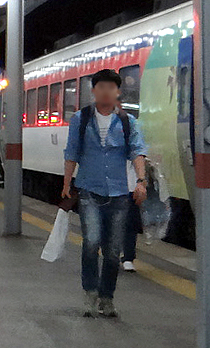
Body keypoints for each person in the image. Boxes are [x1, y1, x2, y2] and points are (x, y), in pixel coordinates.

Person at [61, 68, 147, 318]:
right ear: (93, 91)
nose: (106, 92)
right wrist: (66, 183)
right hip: (89, 190)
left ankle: (107, 297)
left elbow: (137, 151)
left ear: (118, 92)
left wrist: (141, 181)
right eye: (101, 87)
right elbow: (72, 152)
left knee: (112, 250)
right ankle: (90, 293)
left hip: (119, 194)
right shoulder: (81, 119)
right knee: (91, 242)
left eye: (111, 87)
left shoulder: (128, 122)